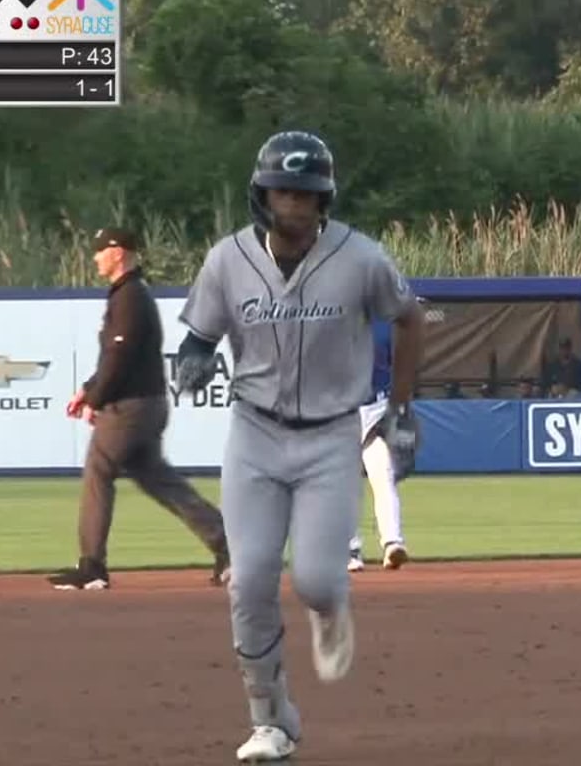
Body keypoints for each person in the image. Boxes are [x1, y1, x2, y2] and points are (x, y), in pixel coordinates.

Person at [172, 130, 425, 763]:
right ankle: (272, 719)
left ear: (325, 199)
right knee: (250, 579)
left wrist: (400, 408)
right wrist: (194, 359)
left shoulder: (360, 257)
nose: (295, 205)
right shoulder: (227, 260)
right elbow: (199, 336)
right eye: (284, 191)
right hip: (254, 433)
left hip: (331, 437)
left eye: (307, 194)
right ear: (262, 194)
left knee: (315, 578)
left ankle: (330, 606)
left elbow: (410, 315)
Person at [47, 227, 230, 591]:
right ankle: (230, 545)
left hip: (133, 408)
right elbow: (113, 358)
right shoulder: (127, 295)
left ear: (118, 252)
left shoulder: (130, 297)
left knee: (98, 469)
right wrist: (87, 390)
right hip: (144, 404)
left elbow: (120, 357)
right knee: (159, 480)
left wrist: (95, 399)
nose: (96, 256)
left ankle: (92, 566)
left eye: (101, 250)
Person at [347, 315, 416, 573]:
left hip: (377, 410)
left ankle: (392, 543)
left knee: (383, 476)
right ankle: (350, 550)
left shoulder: (385, 325)